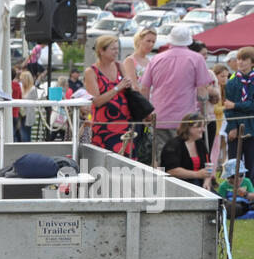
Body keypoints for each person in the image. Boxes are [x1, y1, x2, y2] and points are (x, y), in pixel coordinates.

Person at [140, 24, 213, 168]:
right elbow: (202, 92)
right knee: (184, 158)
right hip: (186, 120)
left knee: (161, 157)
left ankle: (160, 186)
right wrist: (204, 115)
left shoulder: (156, 59)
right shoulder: (196, 59)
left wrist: (146, 113)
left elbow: (144, 88)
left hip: (159, 116)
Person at [223, 46, 254, 186]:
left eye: (244, 60)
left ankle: (250, 194)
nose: (240, 62)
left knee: (250, 163)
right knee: (233, 163)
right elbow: (227, 108)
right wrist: (232, 127)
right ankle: (231, 193)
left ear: (253, 63)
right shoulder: (231, 82)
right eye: (239, 59)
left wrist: (236, 105)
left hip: (252, 127)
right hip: (235, 128)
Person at [84, 35, 132, 153]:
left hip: (125, 123)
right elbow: (96, 101)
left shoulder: (119, 66)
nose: (116, 52)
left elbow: (130, 90)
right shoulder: (91, 72)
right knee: (104, 162)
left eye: (117, 49)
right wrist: (117, 88)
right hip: (104, 126)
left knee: (126, 162)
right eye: (113, 49)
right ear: (101, 51)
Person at [159, 113, 214, 187]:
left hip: (199, 185)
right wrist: (197, 174)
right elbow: (172, 170)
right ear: (188, 128)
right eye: (199, 127)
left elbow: (208, 166)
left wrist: (207, 182)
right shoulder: (173, 145)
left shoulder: (200, 143)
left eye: (203, 126)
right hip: (178, 186)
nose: (203, 130)